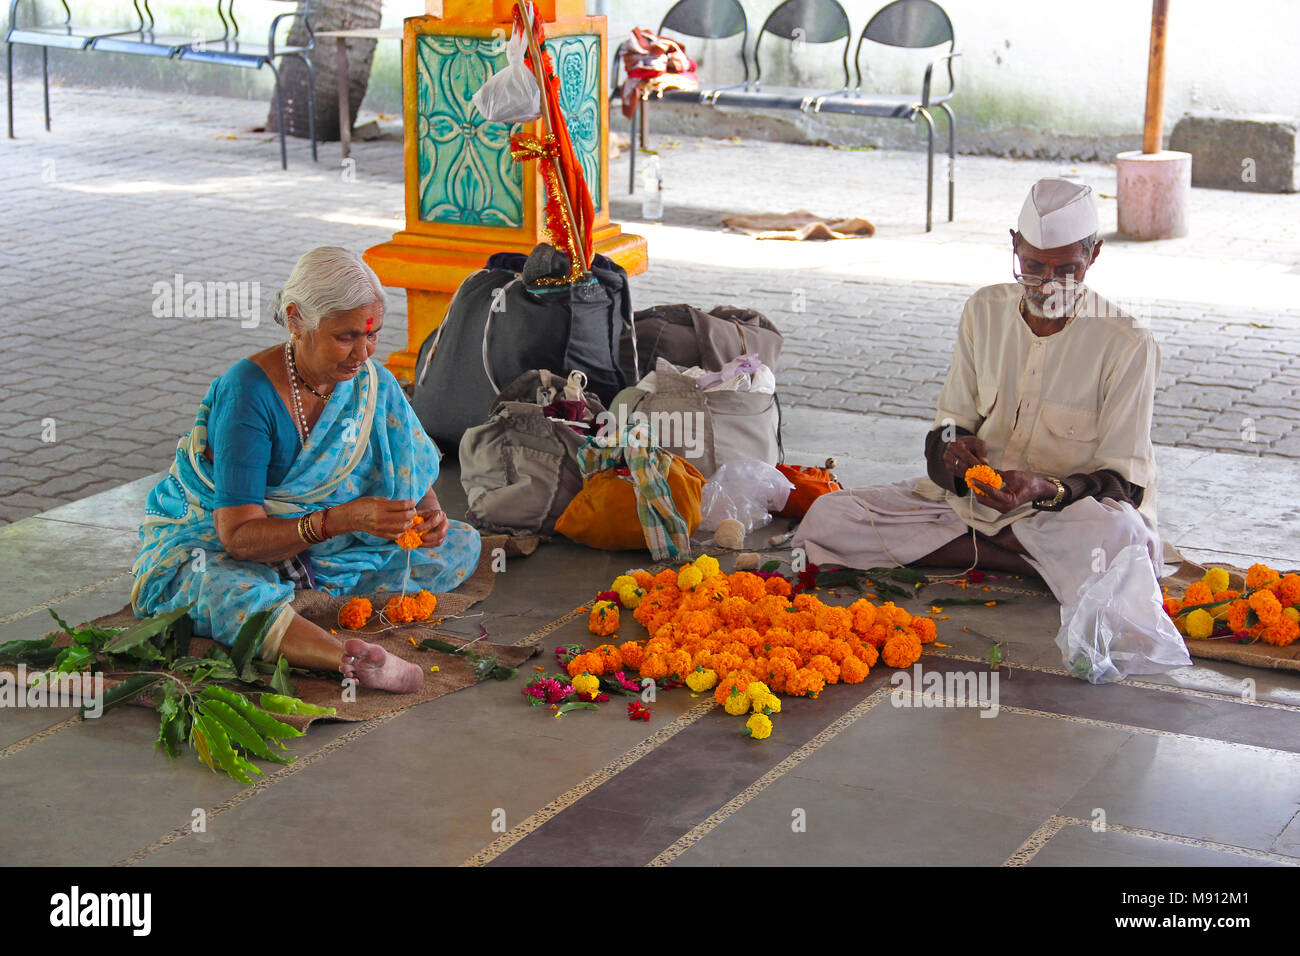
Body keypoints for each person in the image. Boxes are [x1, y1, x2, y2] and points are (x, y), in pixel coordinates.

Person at [794, 179, 1187, 675]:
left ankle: (1001, 552)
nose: (1047, 285)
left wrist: (1042, 489)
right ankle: (1026, 561)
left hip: (1065, 513)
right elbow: (947, 429)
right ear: (1014, 246)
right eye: (1034, 266)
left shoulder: (1127, 343)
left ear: (1094, 256)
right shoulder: (984, 310)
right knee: (831, 515)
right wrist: (954, 455)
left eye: (1067, 270)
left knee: (1122, 541)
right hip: (973, 506)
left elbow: (1125, 484)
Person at [133, 247, 481, 693]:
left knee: (459, 543)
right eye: (346, 337)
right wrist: (344, 519)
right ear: (297, 320)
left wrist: (427, 516)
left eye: (372, 335)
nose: (362, 354)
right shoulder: (248, 394)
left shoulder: (374, 383)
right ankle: (349, 658)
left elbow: (411, 472)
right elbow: (237, 538)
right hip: (224, 546)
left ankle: (299, 605)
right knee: (218, 585)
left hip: (324, 552)